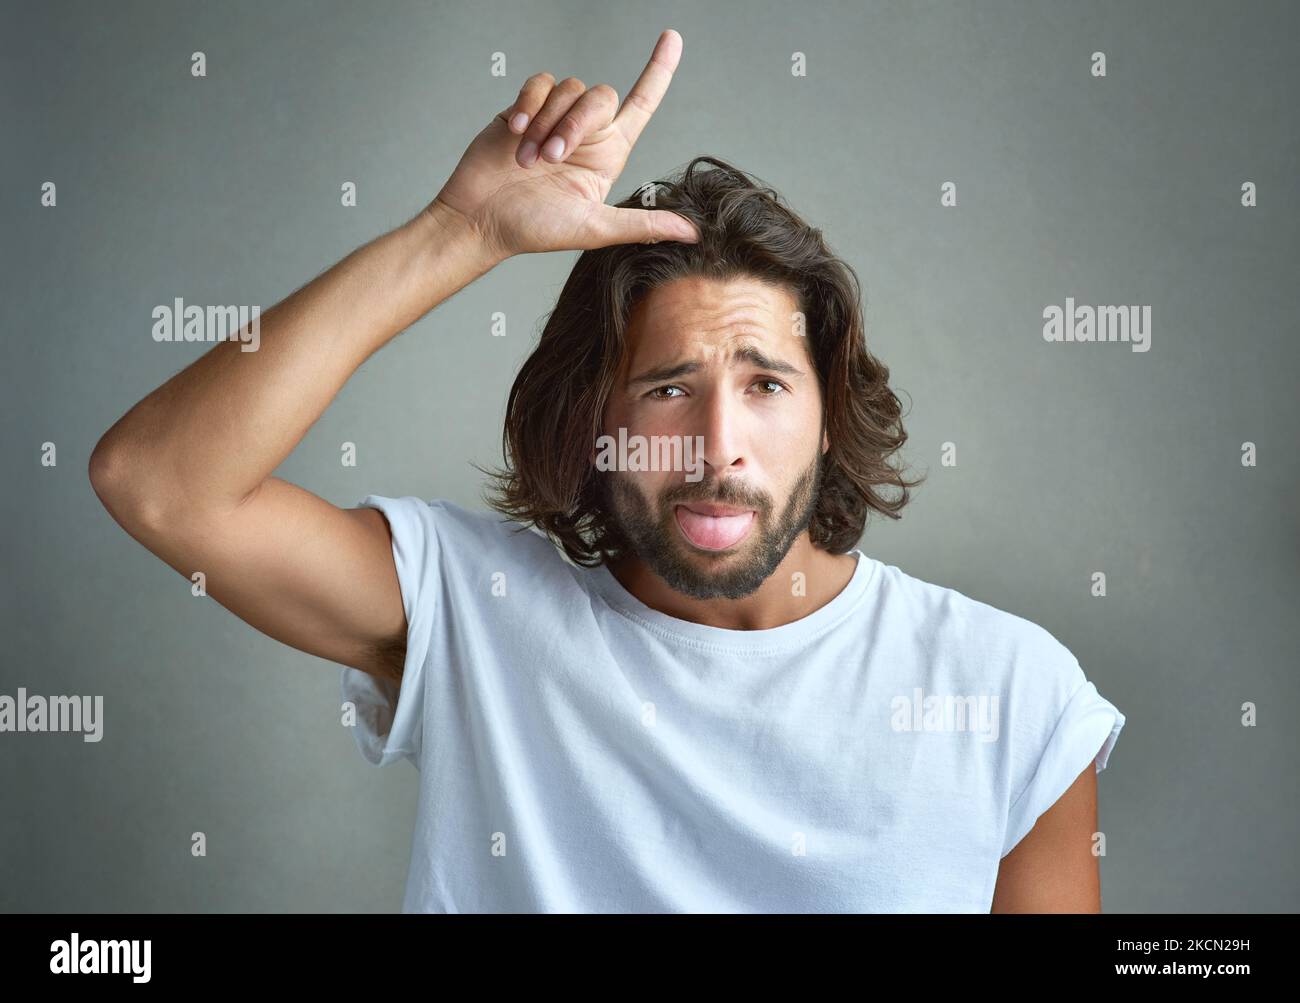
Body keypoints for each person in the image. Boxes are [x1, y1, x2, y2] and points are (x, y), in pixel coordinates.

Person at [89, 28, 1124, 913]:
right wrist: (463, 233)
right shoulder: (472, 611)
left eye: (765, 385)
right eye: (668, 387)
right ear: (594, 420)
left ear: (825, 418)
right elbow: (158, 482)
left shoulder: (1009, 691)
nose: (717, 444)